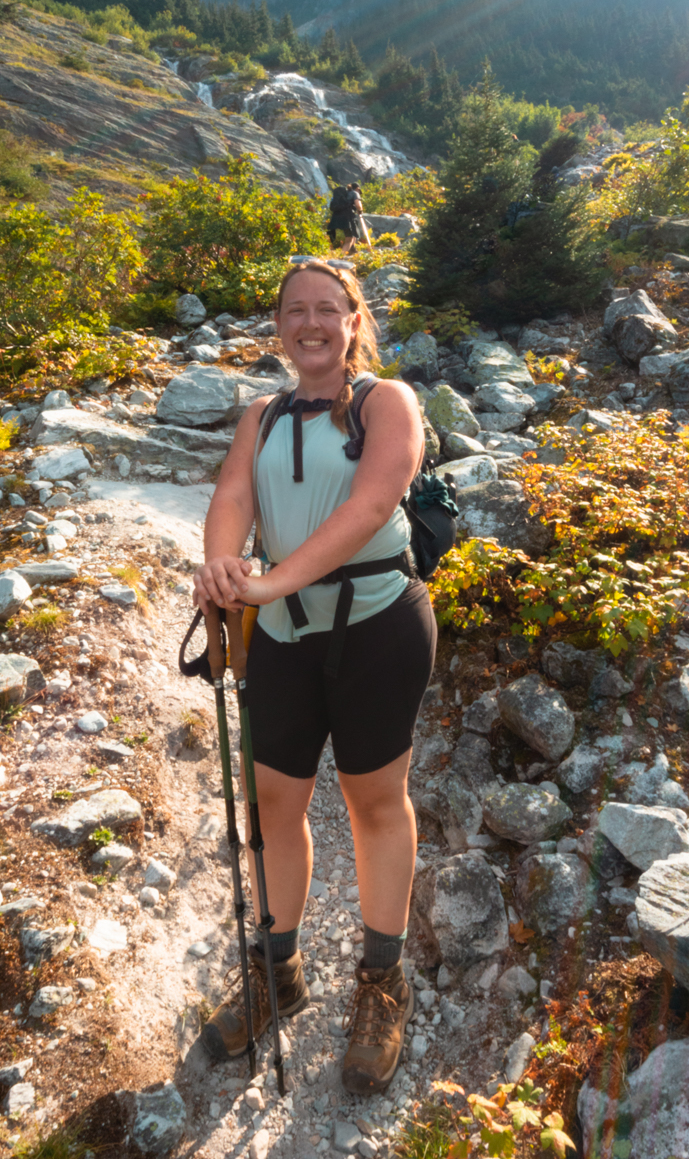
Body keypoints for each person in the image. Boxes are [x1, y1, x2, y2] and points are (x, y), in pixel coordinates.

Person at [193, 261, 437, 1094]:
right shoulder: (261, 414)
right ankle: (279, 969)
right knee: (273, 803)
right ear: (279, 327)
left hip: (378, 627)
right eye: (294, 311)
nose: (311, 323)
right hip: (284, 637)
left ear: (353, 319)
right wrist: (224, 566)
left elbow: (372, 506)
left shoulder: (386, 402)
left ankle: (382, 980)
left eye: (326, 309)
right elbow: (232, 496)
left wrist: (266, 582)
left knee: (372, 803)